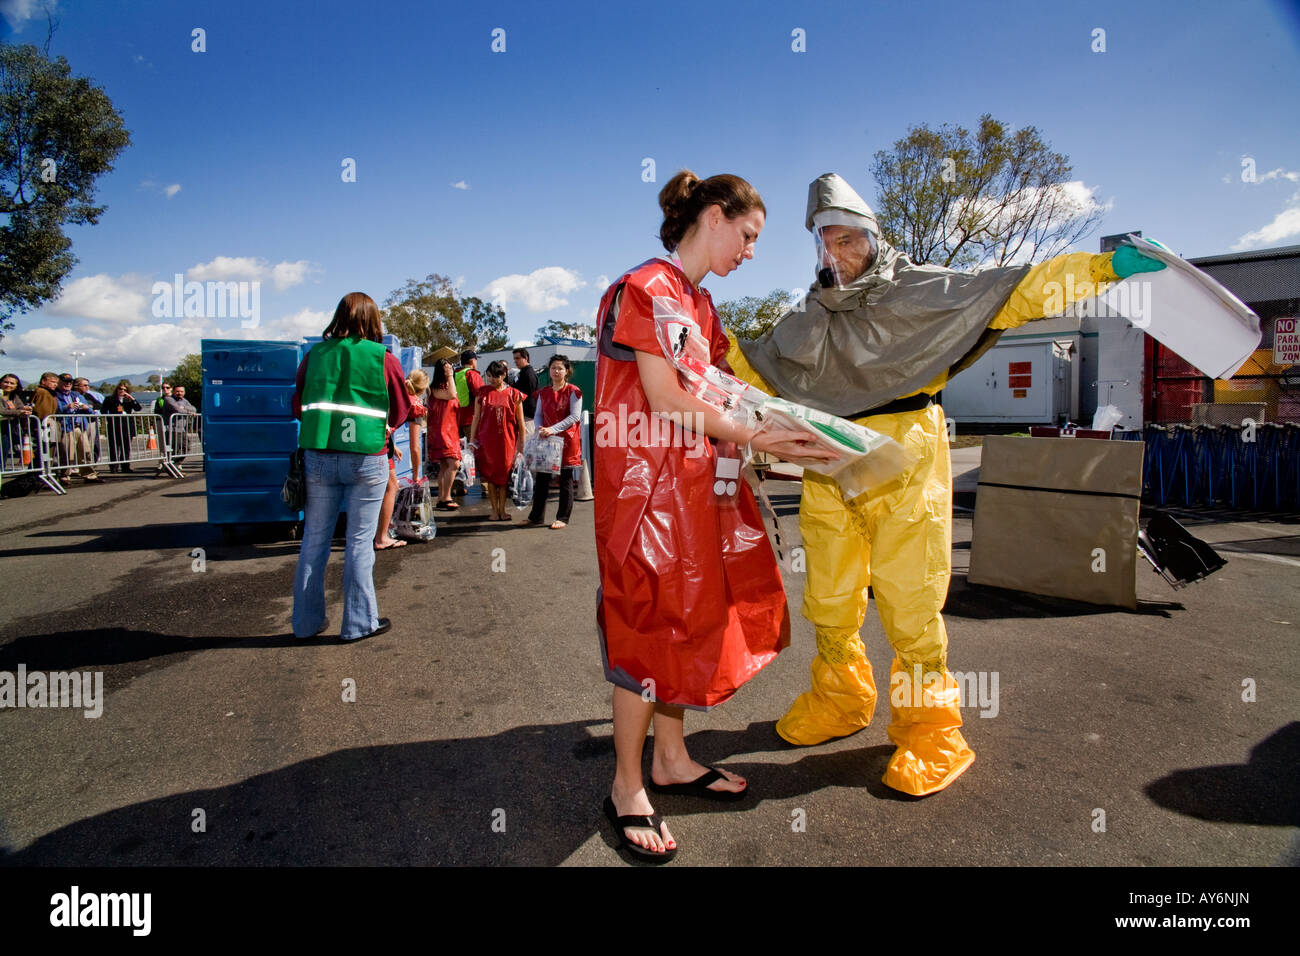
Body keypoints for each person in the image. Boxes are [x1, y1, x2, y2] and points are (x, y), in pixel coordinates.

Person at [725, 172, 1166, 796]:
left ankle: (931, 728)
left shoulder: (923, 287)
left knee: (910, 600)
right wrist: (704, 338)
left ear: (873, 237)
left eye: (847, 240)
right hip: (828, 453)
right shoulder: (811, 312)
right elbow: (762, 365)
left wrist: (1101, 269)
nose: (837, 255)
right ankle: (840, 697)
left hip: (904, 452)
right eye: (826, 244)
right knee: (828, 593)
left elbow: (1014, 292)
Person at [594, 169, 837, 861]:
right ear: (713, 214)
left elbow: (724, 390)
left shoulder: (698, 303)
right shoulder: (646, 287)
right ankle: (626, 784)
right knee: (647, 627)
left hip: (693, 487)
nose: (752, 253)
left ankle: (670, 757)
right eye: (750, 235)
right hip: (645, 496)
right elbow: (666, 397)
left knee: (686, 622)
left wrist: (790, 432)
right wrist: (758, 435)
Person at [291, 292, 411, 642]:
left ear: (338, 316)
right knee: (359, 543)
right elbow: (401, 410)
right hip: (367, 458)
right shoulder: (383, 359)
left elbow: (298, 405)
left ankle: (306, 623)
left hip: (320, 457)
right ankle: (359, 624)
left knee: (314, 540)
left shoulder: (313, 357)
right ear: (373, 320)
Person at [525, 354, 582, 529]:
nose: (556, 371)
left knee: (565, 480)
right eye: (553, 368)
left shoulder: (574, 391)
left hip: (567, 441)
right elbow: (538, 415)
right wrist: (540, 428)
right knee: (542, 479)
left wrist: (553, 429)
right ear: (549, 371)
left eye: (560, 368)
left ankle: (562, 518)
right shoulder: (543, 393)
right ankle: (536, 517)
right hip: (547, 441)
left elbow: (575, 416)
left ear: (567, 371)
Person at [469, 359, 525, 521]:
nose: (492, 380)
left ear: (504, 375)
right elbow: (476, 418)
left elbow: (521, 423)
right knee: (490, 476)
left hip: (507, 442)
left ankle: (502, 510)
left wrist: (521, 444)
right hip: (486, 441)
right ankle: (494, 510)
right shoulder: (482, 393)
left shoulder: (514, 394)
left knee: (504, 477)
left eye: (495, 376)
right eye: (489, 376)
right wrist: (472, 440)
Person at [425, 359, 461, 510]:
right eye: (446, 368)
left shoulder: (445, 386)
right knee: (454, 463)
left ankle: (442, 497)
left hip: (450, 429)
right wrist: (450, 376)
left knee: (445, 465)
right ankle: (446, 497)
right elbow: (452, 395)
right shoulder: (435, 388)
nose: (449, 370)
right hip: (442, 431)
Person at [54, 373, 99, 481]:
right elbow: (55, 410)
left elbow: (91, 411)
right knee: (68, 453)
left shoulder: (76, 395)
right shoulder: (55, 395)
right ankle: (65, 476)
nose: (68, 384)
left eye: (70, 382)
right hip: (66, 428)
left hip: (80, 426)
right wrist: (67, 407)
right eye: (65, 382)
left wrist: (86, 408)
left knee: (86, 451)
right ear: (59, 382)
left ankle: (89, 475)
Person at [100, 381, 142, 472]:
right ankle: (113, 467)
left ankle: (125, 467)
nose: (122, 391)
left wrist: (132, 398)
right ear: (117, 389)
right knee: (114, 447)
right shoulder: (109, 399)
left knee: (126, 447)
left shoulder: (128, 400)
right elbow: (103, 410)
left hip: (127, 426)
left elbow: (138, 408)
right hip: (114, 426)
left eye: (125, 389)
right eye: (120, 389)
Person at [158, 385, 197, 475]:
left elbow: (194, 408)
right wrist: (187, 411)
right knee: (175, 449)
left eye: (181, 391)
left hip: (182, 429)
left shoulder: (184, 400)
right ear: (174, 391)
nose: (179, 393)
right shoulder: (168, 399)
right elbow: (177, 410)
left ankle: (174, 465)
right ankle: (171, 468)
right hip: (172, 429)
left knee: (186, 447)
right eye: (177, 391)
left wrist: (184, 408)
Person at [1, 374, 35, 472]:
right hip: (1, 429)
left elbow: (21, 407)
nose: (8, 385)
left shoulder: (14, 397)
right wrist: (19, 412)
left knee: (3, 456)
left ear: (16, 386)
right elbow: (2, 411)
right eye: (6, 382)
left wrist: (26, 409)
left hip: (8, 430)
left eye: (12, 383)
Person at [453, 351, 484, 440]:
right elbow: (481, 395)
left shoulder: (455, 374)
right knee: (475, 448)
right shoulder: (472, 374)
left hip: (458, 419)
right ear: (472, 361)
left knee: (462, 450)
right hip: (472, 419)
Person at [513, 348, 539, 438]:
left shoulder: (529, 373)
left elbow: (530, 394)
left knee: (527, 441)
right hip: (523, 413)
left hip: (528, 414)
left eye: (518, 358)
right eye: (514, 359)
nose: (515, 361)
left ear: (526, 358)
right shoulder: (523, 372)